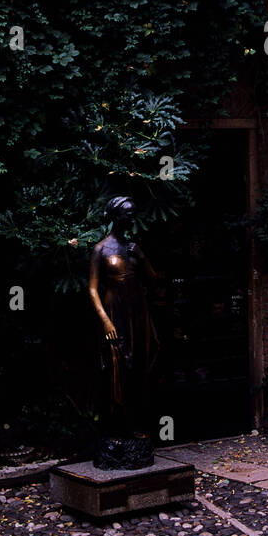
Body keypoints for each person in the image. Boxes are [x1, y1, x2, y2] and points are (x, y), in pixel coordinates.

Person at [88, 196, 158, 465]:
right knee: (117, 368)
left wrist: (140, 256)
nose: (132, 218)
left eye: (133, 213)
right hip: (114, 312)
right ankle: (113, 430)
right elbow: (92, 289)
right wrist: (106, 321)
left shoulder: (133, 248)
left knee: (138, 366)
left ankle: (132, 427)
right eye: (127, 213)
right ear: (116, 216)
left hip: (137, 312)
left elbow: (153, 279)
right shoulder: (101, 249)